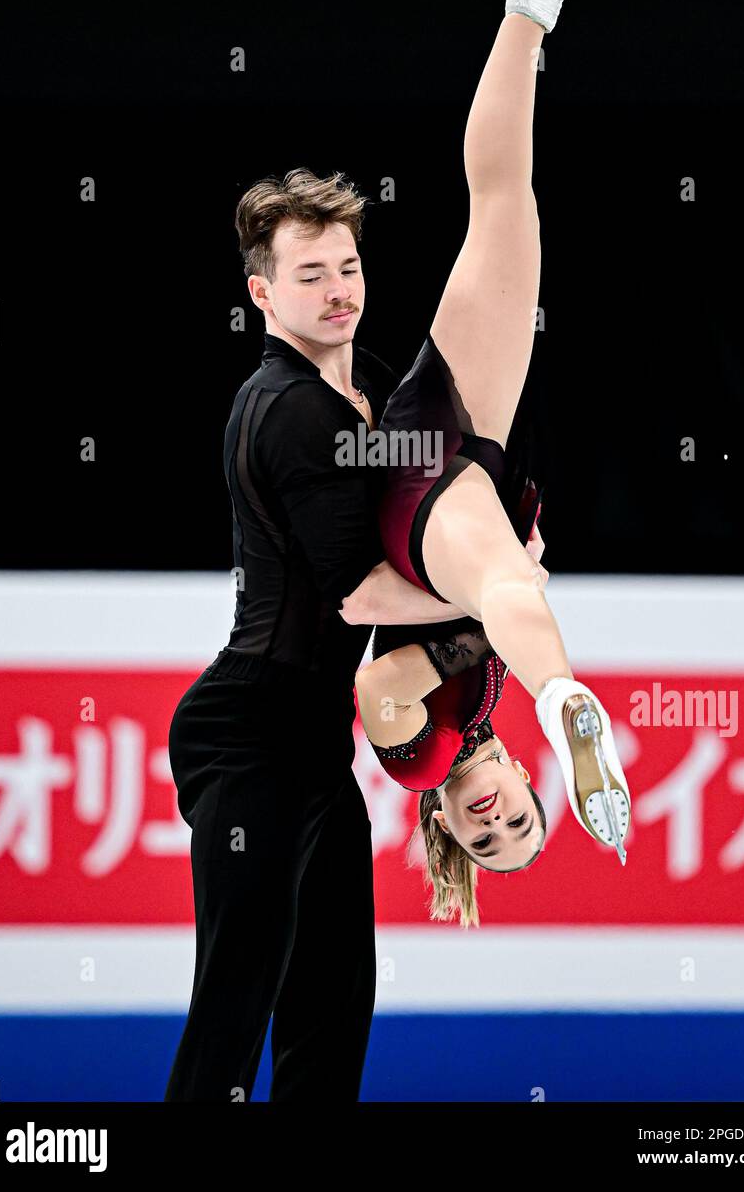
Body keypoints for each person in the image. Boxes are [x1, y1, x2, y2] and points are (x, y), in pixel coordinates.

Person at [342, 0, 634, 927]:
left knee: (515, 592)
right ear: (519, 784)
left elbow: (373, 678)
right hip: (465, 457)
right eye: (518, 819)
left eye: (482, 833)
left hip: (422, 507)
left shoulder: (416, 764)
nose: (491, 818)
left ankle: (570, 703)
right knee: (504, 209)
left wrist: (449, 613)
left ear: (445, 831)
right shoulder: (476, 716)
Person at [164, 167, 472, 1102]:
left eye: (348, 266)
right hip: (247, 728)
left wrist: (494, 529)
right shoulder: (291, 408)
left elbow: (432, 492)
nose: (339, 290)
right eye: (311, 275)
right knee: (238, 990)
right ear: (261, 292)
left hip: (307, 741)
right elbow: (363, 594)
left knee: (333, 999)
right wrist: (493, 597)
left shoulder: (368, 389)